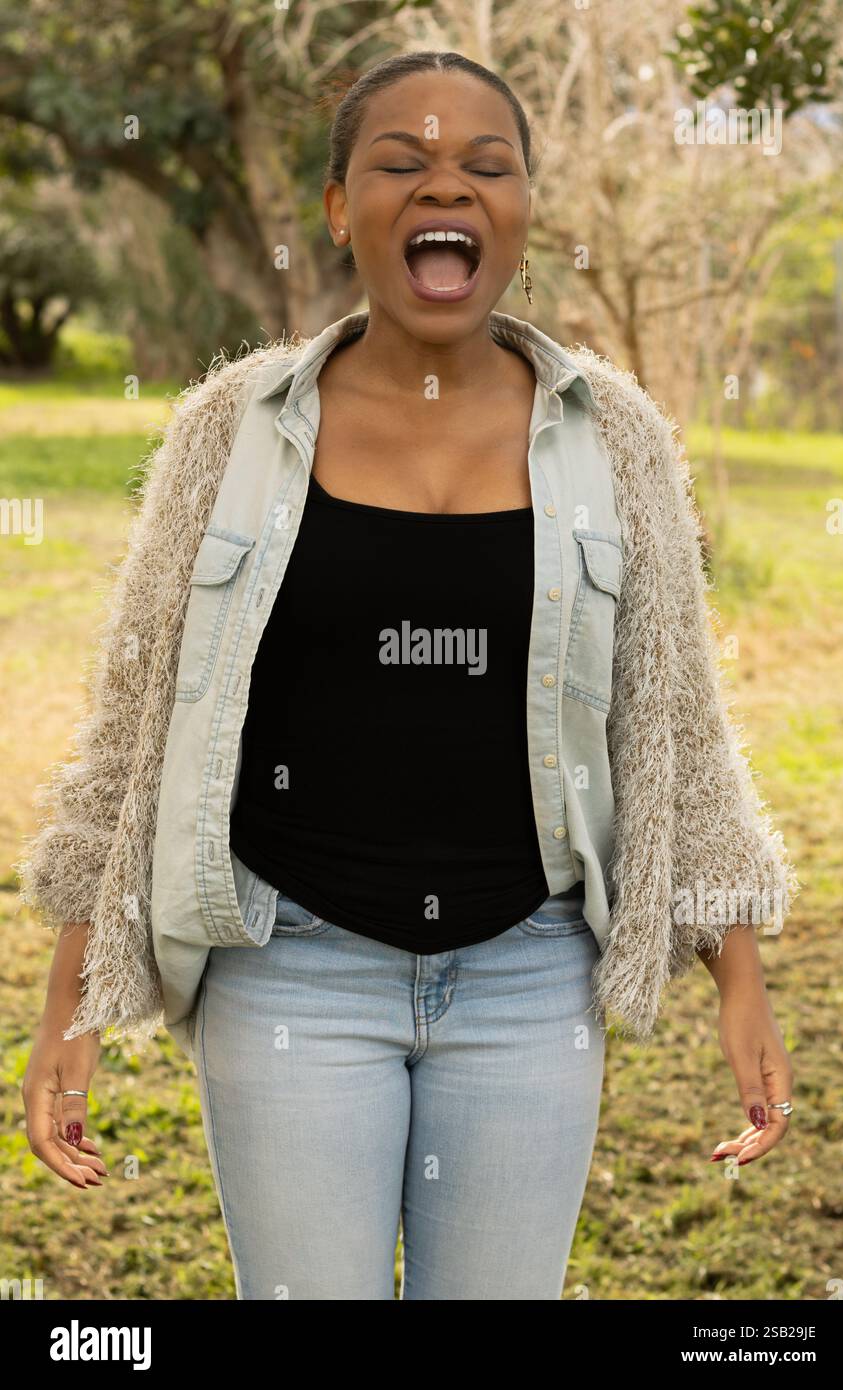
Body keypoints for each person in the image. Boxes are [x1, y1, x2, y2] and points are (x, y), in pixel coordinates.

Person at [18, 51, 800, 1300]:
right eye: (403, 163)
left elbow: (677, 731)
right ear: (340, 209)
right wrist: (68, 1009)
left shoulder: (615, 438)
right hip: (292, 971)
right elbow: (131, 734)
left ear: (526, 210)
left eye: (487, 166)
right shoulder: (233, 430)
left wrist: (740, 983)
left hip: (528, 978)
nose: (450, 185)